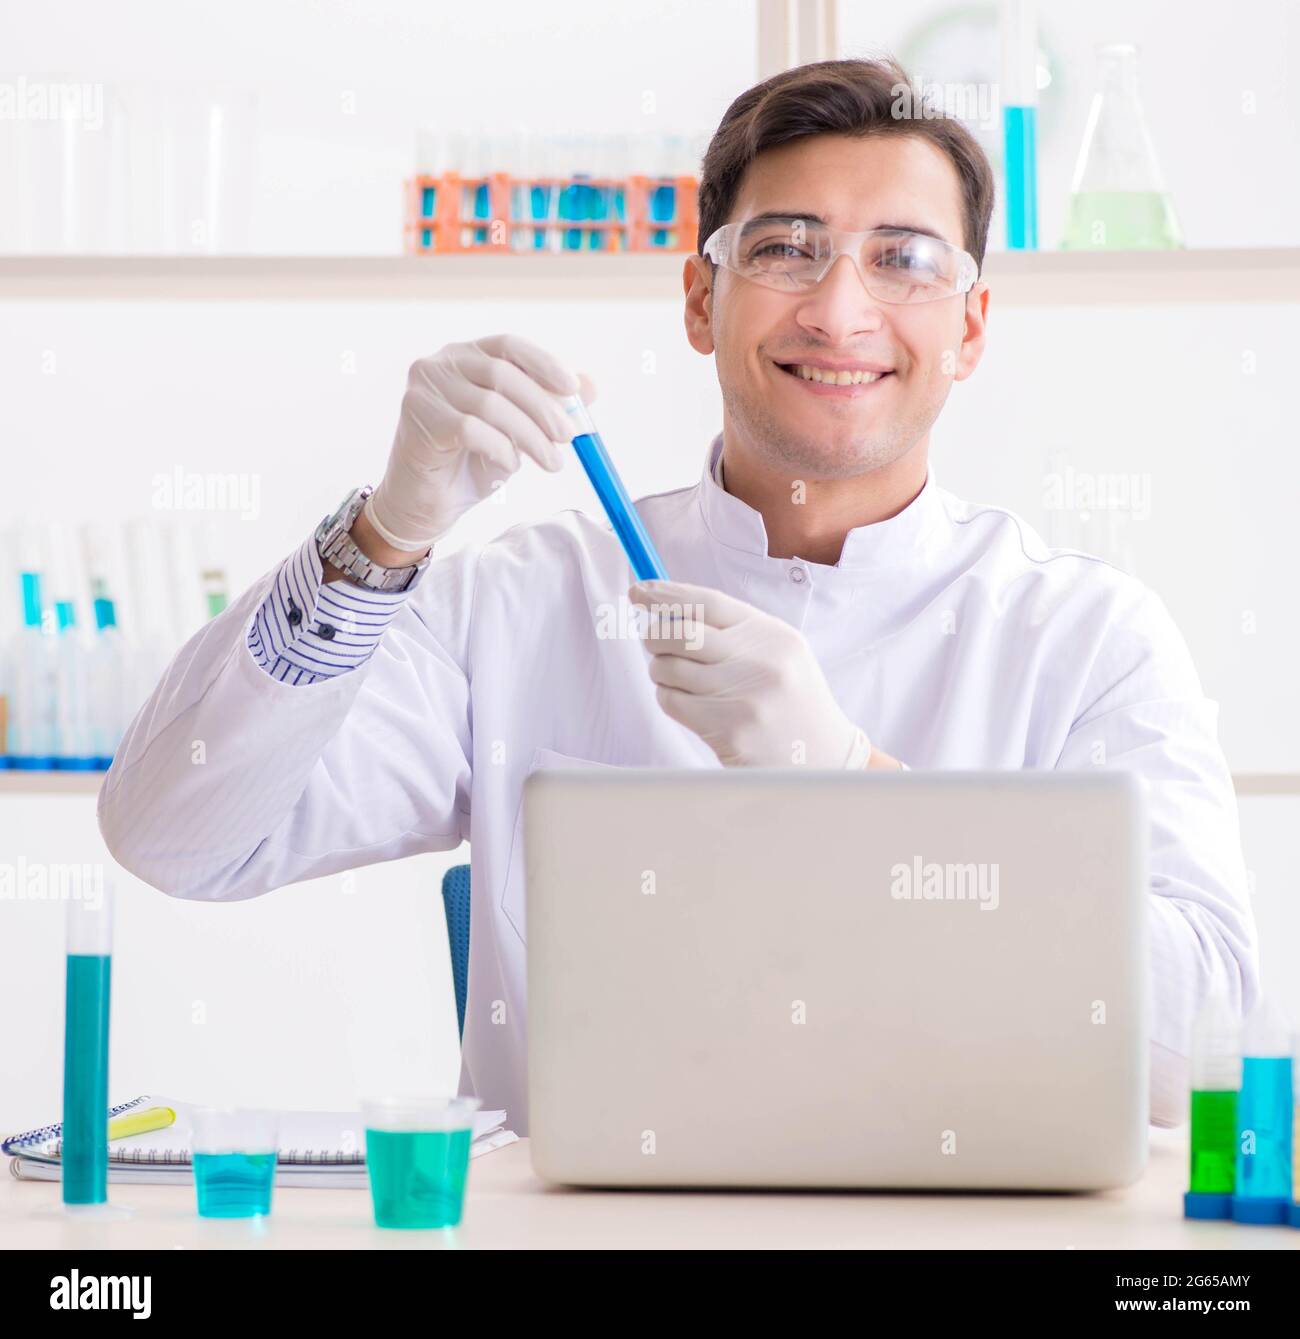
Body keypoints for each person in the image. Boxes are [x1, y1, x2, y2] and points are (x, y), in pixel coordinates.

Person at [99, 57, 1257, 1133]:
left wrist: (858, 790)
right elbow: (177, 836)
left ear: (970, 328)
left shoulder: (1086, 638)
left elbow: (1202, 1051)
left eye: (903, 258)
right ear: (700, 301)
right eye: (785, 248)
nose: (840, 310)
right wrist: (382, 536)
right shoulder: (526, 601)